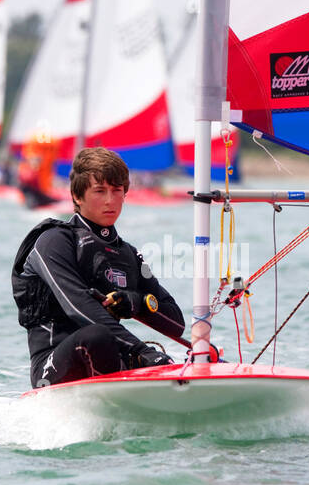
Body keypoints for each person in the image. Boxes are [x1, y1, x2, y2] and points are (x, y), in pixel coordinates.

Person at [12, 146, 185, 387]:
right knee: (96, 336)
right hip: (52, 366)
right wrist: (141, 351)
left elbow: (176, 323)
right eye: (99, 191)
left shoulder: (130, 255)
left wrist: (134, 302)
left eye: (117, 191)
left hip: (114, 358)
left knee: (105, 338)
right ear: (77, 196)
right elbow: (76, 306)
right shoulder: (54, 241)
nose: (110, 200)